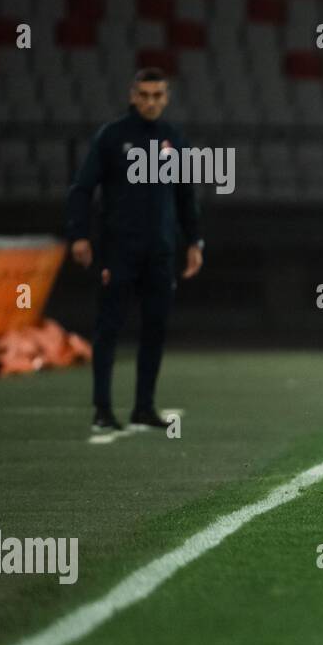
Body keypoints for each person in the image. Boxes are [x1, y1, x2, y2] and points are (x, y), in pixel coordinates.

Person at [65, 67, 203, 434]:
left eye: (158, 95)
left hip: (160, 252)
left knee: (155, 329)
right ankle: (102, 408)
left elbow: (186, 195)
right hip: (119, 251)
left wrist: (194, 241)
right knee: (108, 328)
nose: (151, 102)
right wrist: (79, 235)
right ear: (132, 96)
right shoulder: (112, 137)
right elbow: (82, 188)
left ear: (167, 97)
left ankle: (144, 406)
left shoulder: (173, 138)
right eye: (144, 95)